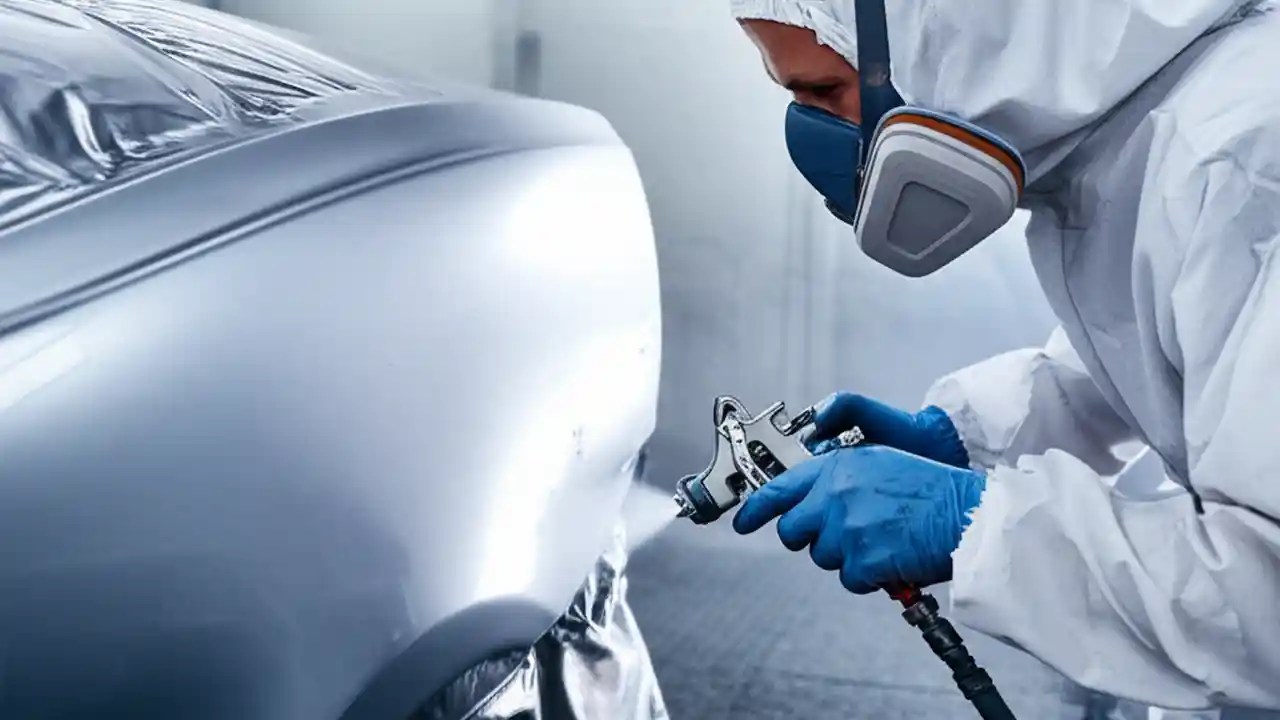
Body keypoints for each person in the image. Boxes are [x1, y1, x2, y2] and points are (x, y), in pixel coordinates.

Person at [727, 0, 1280, 715]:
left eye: (823, 93)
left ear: (951, 30)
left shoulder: (1243, 167)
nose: (814, 131)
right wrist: (966, 435)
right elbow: (1164, 357)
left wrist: (977, 525)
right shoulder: (1140, 134)